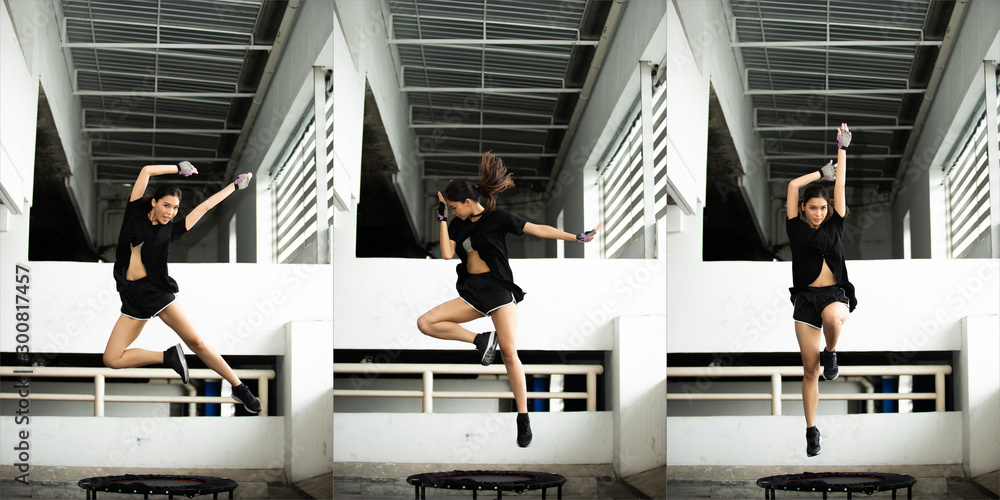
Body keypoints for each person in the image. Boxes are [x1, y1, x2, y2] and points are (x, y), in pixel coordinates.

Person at [417, 151, 602, 448]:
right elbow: (448, 254)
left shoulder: (497, 218)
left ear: (467, 202)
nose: (452, 212)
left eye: (453, 207)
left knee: (509, 354)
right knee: (425, 322)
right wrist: (440, 217)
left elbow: (538, 229)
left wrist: (576, 237)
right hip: (474, 291)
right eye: (448, 209)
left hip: (499, 291)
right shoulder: (455, 225)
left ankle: (523, 417)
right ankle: (480, 340)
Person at [103, 161, 263, 414]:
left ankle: (239, 387)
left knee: (196, 341)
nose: (171, 212)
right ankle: (168, 357)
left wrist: (234, 186)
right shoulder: (134, 212)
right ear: (154, 202)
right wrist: (177, 167)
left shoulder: (172, 231)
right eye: (166, 205)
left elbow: (205, 206)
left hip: (156, 293)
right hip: (131, 297)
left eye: (175, 208)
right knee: (111, 359)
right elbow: (145, 170)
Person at [785, 123, 858, 456]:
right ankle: (812, 431)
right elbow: (792, 186)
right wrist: (819, 172)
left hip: (835, 296)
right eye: (812, 207)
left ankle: (832, 352)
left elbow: (840, 185)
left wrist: (842, 150)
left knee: (833, 318)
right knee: (810, 371)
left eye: (823, 208)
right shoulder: (796, 229)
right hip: (804, 303)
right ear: (804, 209)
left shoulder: (836, 223)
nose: (818, 212)